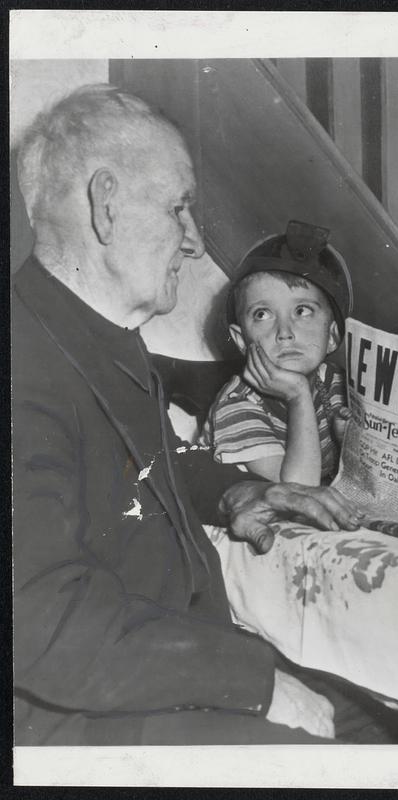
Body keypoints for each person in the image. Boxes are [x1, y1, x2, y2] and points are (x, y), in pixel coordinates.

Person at [12, 84, 370, 746]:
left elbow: (149, 461)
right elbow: (36, 619)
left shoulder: (91, 335)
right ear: (106, 206)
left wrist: (243, 491)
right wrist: (254, 682)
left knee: (379, 724)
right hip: (80, 724)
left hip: (158, 675)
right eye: (178, 208)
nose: (194, 241)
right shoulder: (21, 361)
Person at [199, 221, 352, 485]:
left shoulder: (333, 382)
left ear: (332, 336)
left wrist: (345, 440)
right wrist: (298, 395)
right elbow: (296, 493)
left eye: (302, 311)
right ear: (241, 340)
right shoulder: (238, 405)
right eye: (262, 314)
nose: (284, 332)